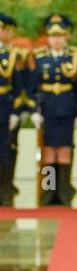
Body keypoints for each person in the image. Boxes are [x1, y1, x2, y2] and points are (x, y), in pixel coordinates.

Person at [31, 13, 77, 206]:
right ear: (48, 37)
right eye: (53, 36)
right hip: (47, 110)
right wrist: (35, 111)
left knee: (64, 151)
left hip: (66, 109)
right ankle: (49, 192)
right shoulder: (40, 57)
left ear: (66, 36)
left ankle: (64, 192)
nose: (56, 39)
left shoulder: (74, 56)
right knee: (48, 152)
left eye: (60, 35)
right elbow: (34, 87)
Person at [0, 12, 23, 206]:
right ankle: (52, 191)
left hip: (5, 108)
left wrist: (16, 112)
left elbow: (20, 86)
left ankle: (5, 188)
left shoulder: (13, 55)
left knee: (6, 151)